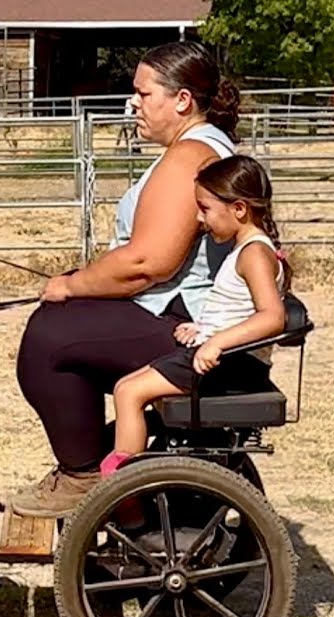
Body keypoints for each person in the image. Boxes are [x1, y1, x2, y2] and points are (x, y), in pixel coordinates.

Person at [10, 42, 242, 517]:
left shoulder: (191, 156)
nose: (132, 103)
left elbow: (148, 263)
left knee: (49, 340)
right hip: (180, 313)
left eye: (143, 93)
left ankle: (85, 477)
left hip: (189, 326)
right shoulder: (197, 148)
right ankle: (106, 471)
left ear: (181, 100)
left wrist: (73, 286)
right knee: (61, 323)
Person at [102, 155, 289, 485]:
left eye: (206, 209)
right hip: (222, 357)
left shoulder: (254, 253)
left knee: (129, 393)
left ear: (239, 209)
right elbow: (237, 309)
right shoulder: (245, 249)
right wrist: (204, 329)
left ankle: (124, 488)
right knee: (127, 385)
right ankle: (126, 471)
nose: (200, 219)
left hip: (232, 364)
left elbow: (272, 317)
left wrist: (215, 342)